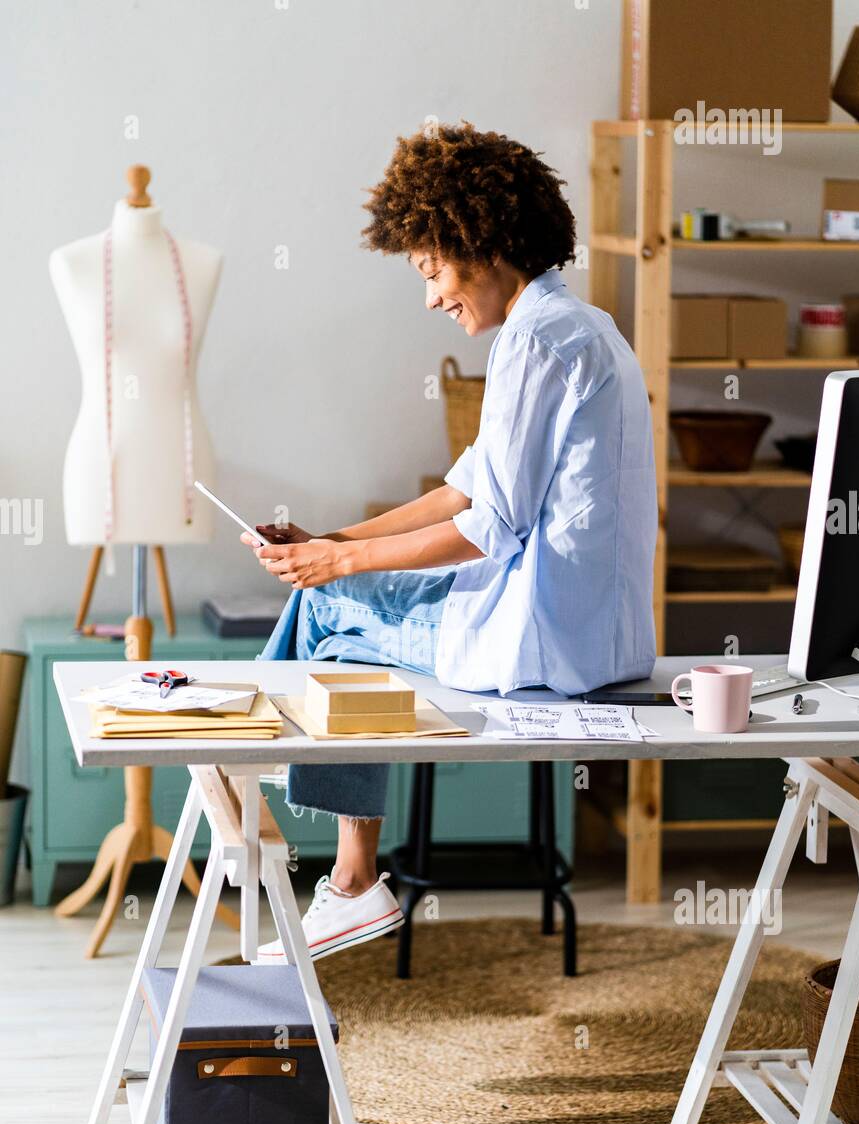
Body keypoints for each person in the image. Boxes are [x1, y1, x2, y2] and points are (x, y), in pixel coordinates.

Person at [248, 122, 657, 964]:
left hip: (544, 645)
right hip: (581, 629)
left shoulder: (538, 342)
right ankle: (310, 855)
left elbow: (486, 525)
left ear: (482, 242)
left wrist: (334, 563)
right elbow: (460, 489)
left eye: (432, 269)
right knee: (327, 586)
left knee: (327, 608)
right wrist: (331, 538)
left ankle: (329, 870)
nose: (431, 296)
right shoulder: (581, 328)